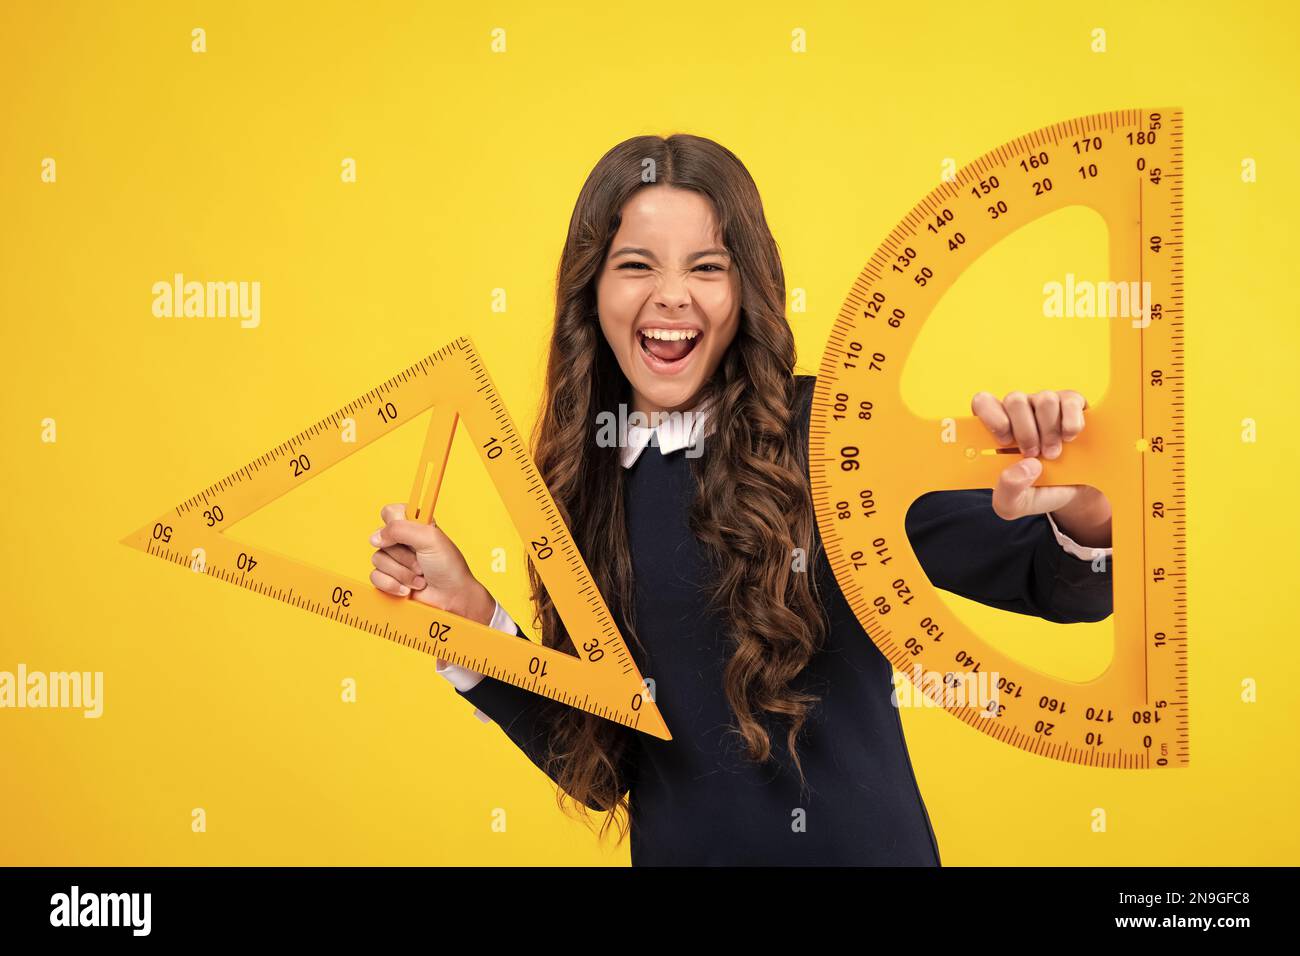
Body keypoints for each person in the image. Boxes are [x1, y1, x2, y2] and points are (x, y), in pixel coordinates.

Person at [365, 134, 1114, 865]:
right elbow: (601, 768)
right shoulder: (583, 476)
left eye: (707, 267)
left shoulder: (831, 440)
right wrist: (470, 622)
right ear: (591, 291)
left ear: (745, 287)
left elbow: (1064, 585)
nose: (671, 296)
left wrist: (1078, 503)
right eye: (635, 265)